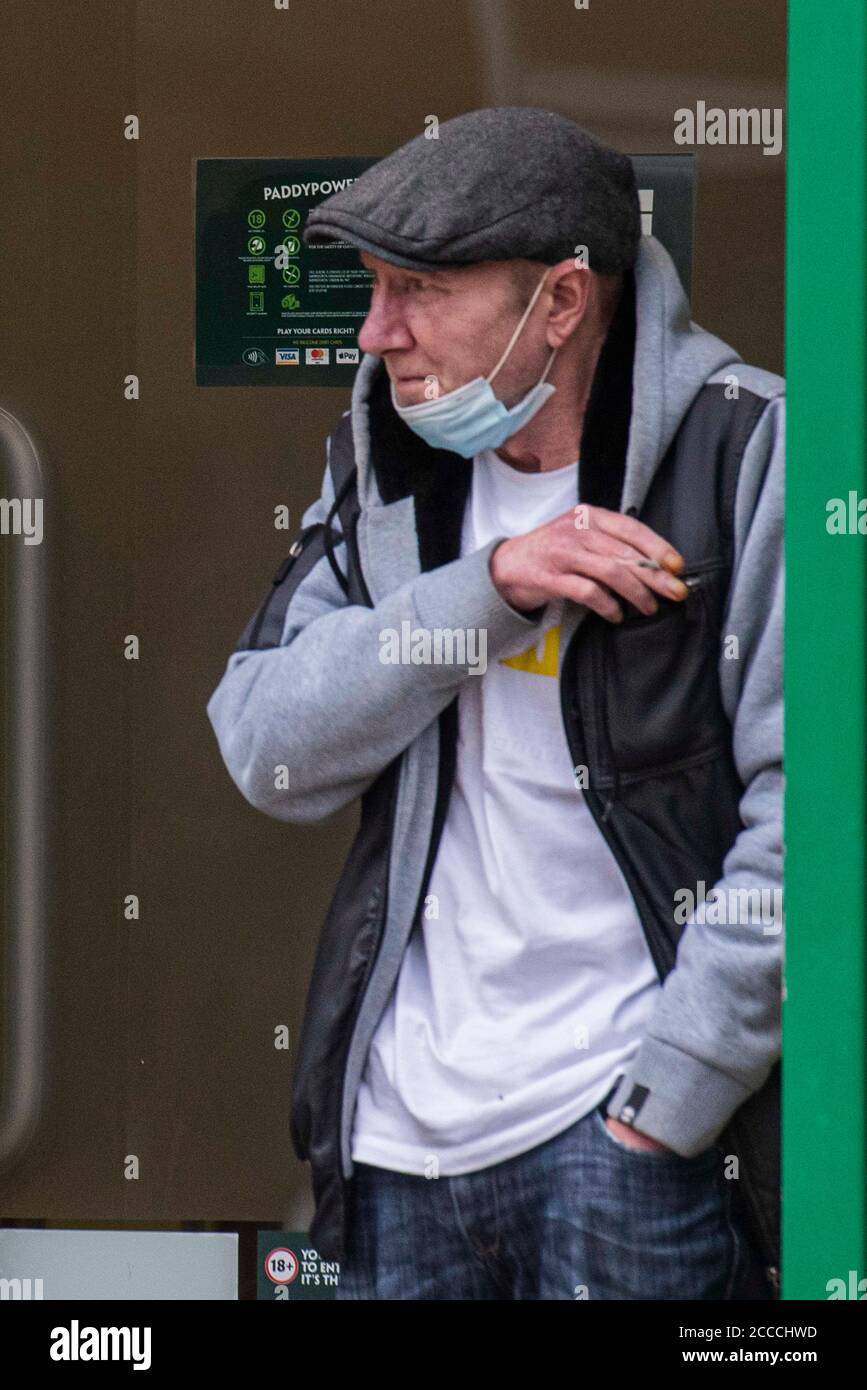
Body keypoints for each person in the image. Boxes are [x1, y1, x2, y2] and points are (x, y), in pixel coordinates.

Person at [206, 107, 783, 1300]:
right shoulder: (390, 461)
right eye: (372, 286)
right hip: (395, 1146)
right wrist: (494, 588)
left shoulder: (746, 453)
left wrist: (665, 1104)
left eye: (416, 286)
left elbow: (817, 817)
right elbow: (263, 745)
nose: (378, 332)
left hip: (625, 1141)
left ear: (561, 304)